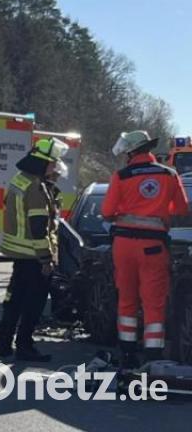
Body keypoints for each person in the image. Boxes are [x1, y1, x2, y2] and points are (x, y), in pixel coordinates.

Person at [101, 130, 190, 369]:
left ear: (131, 152)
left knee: (127, 301)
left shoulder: (121, 175)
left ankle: (127, 352)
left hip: (124, 246)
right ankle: (153, 356)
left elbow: (107, 212)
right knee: (154, 302)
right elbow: (181, 209)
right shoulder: (170, 174)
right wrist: (157, 208)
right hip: (153, 247)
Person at [0, 137, 69, 362]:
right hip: (33, 255)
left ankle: (4, 343)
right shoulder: (36, 187)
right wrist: (46, 259)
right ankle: (25, 345)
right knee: (33, 303)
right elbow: (38, 227)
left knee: (14, 300)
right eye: (51, 163)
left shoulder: (19, 180)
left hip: (20, 252)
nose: (53, 168)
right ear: (41, 163)